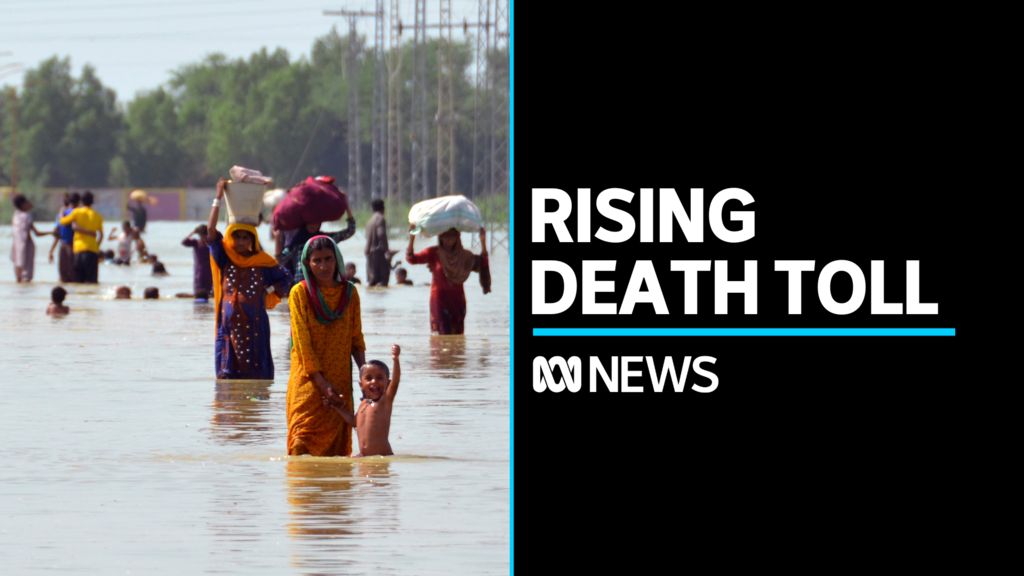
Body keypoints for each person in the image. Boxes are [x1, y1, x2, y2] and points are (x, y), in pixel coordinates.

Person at [286, 235, 366, 456]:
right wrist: (322, 384)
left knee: (337, 455)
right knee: (300, 444)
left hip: (339, 382)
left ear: (336, 260)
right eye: (317, 261)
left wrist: (364, 373)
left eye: (328, 259)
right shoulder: (299, 294)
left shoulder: (350, 293)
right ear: (308, 265)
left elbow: (356, 338)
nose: (323, 266)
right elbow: (302, 344)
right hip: (308, 383)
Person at [209, 178, 290, 380]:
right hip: (228, 329)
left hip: (256, 328)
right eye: (237, 237)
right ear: (231, 238)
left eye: (246, 237)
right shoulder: (225, 259)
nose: (241, 242)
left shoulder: (262, 263)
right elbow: (210, 233)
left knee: (257, 380)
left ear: (253, 240)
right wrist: (218, 198)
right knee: (227, 383)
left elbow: (286, 281)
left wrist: (267, 293)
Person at [405, 226, 491, 334]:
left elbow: (482, 263)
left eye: (451, 237)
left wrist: (483, 242)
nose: (448, 240)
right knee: (441, 337)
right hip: (439, 302)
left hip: (457, 301)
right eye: (444, 237)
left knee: (457, 339)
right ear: (440, 237)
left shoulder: (465, 256)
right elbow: (411, 259)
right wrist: (412, 238)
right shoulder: (433, 253)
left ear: (457, 237)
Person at [332, 344, 401, 457]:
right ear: (361, 385)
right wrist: (336, 407)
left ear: (387, 383)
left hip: (382, 457)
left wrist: (395, 359)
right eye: (369, 378)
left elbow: (396, 382)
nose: (374, 382)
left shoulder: (384, 402)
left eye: (379, 378)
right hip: (364, 457)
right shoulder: (363, 404)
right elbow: (354, 422)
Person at [276, 211, 356, 284]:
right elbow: (280, 259)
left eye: (316, 222)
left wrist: (347, 209)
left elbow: (350, 231)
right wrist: (277, 239)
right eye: (310, 222)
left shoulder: (325, 240)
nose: (313, 225)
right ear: (305, 223)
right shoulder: (297, 242)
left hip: (321, 284)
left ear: (320, 223)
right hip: (302, 284)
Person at [59, 190, 104, 283]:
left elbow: (63, 221)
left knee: (78, 281)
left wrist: (61, 212)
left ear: (81, 202)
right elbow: (101, 235)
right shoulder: (98, 216)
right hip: (92, 251)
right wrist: (96, 247)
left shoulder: (76, 212)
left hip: (79, 250)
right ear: (92, 202)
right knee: (92, 282)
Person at [10, 194, 51, 283]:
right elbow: (37, 233)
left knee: (19, 275)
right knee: (27, 276)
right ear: (23, 204)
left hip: (17, 246)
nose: (30, 203)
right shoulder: (26, 216)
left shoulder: (16, 215)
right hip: (26, 246)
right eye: (27, 202)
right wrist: (52, 233)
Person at [364, 198, 397, 287]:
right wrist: (387, 251)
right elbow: (381, 234)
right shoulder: (380, 219)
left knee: (372, 281)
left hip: (369, 254)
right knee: (382, 283)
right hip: (379, 253)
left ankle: (373, 301)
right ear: (383, 208)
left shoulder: (370, 221)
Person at [48, 192, 80, 282]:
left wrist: (51, 251)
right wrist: (51, 251)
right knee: (71, 273)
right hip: (69, 245)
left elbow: (56, 233)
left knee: (64, 274)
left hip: (67, 245)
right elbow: (57, 232)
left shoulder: (63, 214)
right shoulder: (73, 213)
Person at [182, 224, 213, 299]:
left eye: (205, 235)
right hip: (199, 271)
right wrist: (193, 232)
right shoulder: (196, 243)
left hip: (210, 270)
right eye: (201, 235)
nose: (203, 237)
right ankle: (200, 308)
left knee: (210, 293)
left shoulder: (212, 243)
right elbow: (184, 242)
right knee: (199, 292)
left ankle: (208, 308)